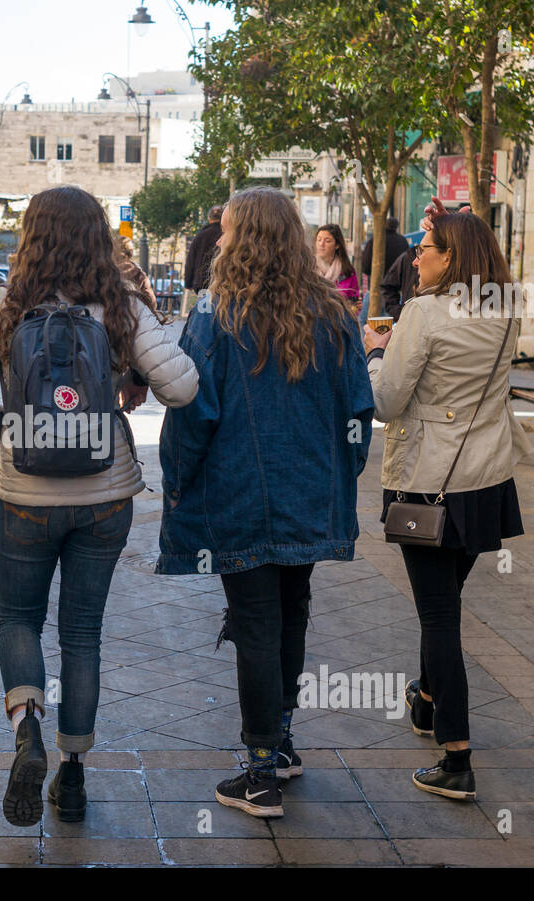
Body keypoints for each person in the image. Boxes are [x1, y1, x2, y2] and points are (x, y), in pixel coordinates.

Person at [0, 185, 198, 827]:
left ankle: (27, 729)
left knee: (18, 621)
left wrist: (15, 428)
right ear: (98, 239)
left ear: (30, 236)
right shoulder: (120, 309)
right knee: (82, 632)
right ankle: (75, 778)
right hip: (105, 496)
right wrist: (130, 377)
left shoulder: (1, 307)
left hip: (25, 496)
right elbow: (185, 386)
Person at [158, 187, 374, 818]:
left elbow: (193, 415)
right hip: (308, 496)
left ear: (245, 239)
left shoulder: (215, 315)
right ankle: (280, 742)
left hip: (240, 500)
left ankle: (257, 776)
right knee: (291, 611)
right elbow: (358, 411)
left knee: (256, 625)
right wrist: (339, 475)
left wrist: (177, 481)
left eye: (226, 231)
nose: (218, 242)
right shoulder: (334, 315)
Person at [363, 201, 530, 802]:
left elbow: (386, 402)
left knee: (439, 617)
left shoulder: (423, 315)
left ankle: (456, 758)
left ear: (452, 259)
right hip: (486, 479)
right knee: (447, 599)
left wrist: (377, 350)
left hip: (428, 481)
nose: (414, 259)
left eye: (425, 248)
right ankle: (428, 702)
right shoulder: (505, 308)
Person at [314, 223, 360, 316]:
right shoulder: (308, 268)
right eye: (319, 240)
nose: (321, 244)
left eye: (327, 241)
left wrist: (356, 305)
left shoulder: (347, 272)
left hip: (340, 322)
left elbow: (354, 300)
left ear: (337, 245)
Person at [357, 216, 410, 282]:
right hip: (397, 281)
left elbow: (366, 264)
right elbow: (407, 261)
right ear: (396, 228)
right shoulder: (403, 241)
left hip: (378, 280)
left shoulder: (374, 241)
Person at [184, 205, 224, 293]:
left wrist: (188, 282)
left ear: (209, 218)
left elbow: (191, 260)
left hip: (202, 282)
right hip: (222, 283)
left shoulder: (200, 236)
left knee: (205, 306)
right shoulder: (228, 235)